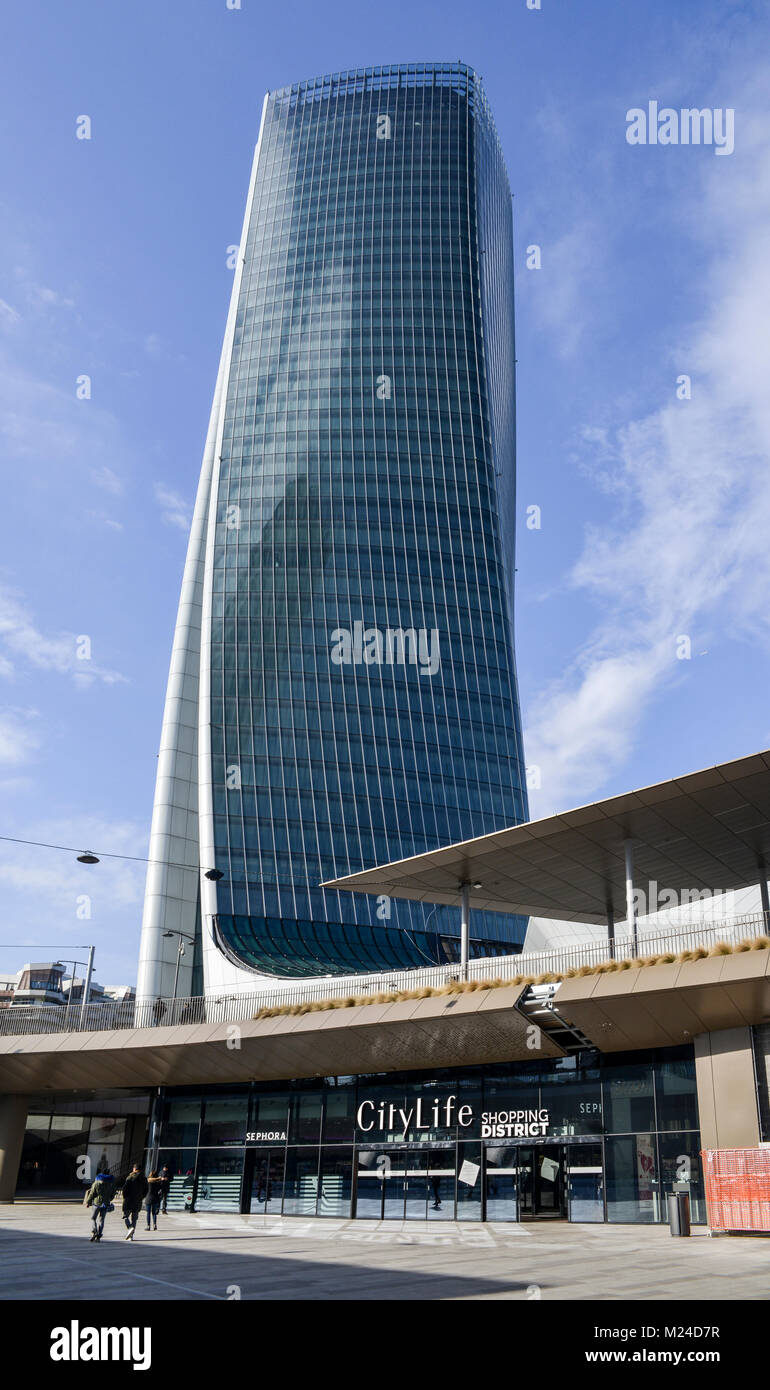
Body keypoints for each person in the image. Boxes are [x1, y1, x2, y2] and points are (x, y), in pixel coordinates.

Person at [84, 1168, 116, 1242]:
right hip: (106, 1204)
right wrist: (109, 1199)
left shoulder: (96, 1183)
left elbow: (92, 1193)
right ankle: (99, 1235)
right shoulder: (111, 1183)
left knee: (93, 1218)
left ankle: (95, 1231)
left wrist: (88, 1202)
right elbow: (113, 1193)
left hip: (96, 1203)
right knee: (102, 1220)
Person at [121, 1164, 148, 1241]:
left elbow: (125, 1189)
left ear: (134, 1169)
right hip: (138, 1201)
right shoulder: (144, 1179)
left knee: (125, 1216)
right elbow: (146, 1190)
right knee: (134, 1219)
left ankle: (130, 1227)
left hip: (129, 1200)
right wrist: (141, 1197)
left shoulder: (130, 1177)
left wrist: (125, 1197)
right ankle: (131, 1236)